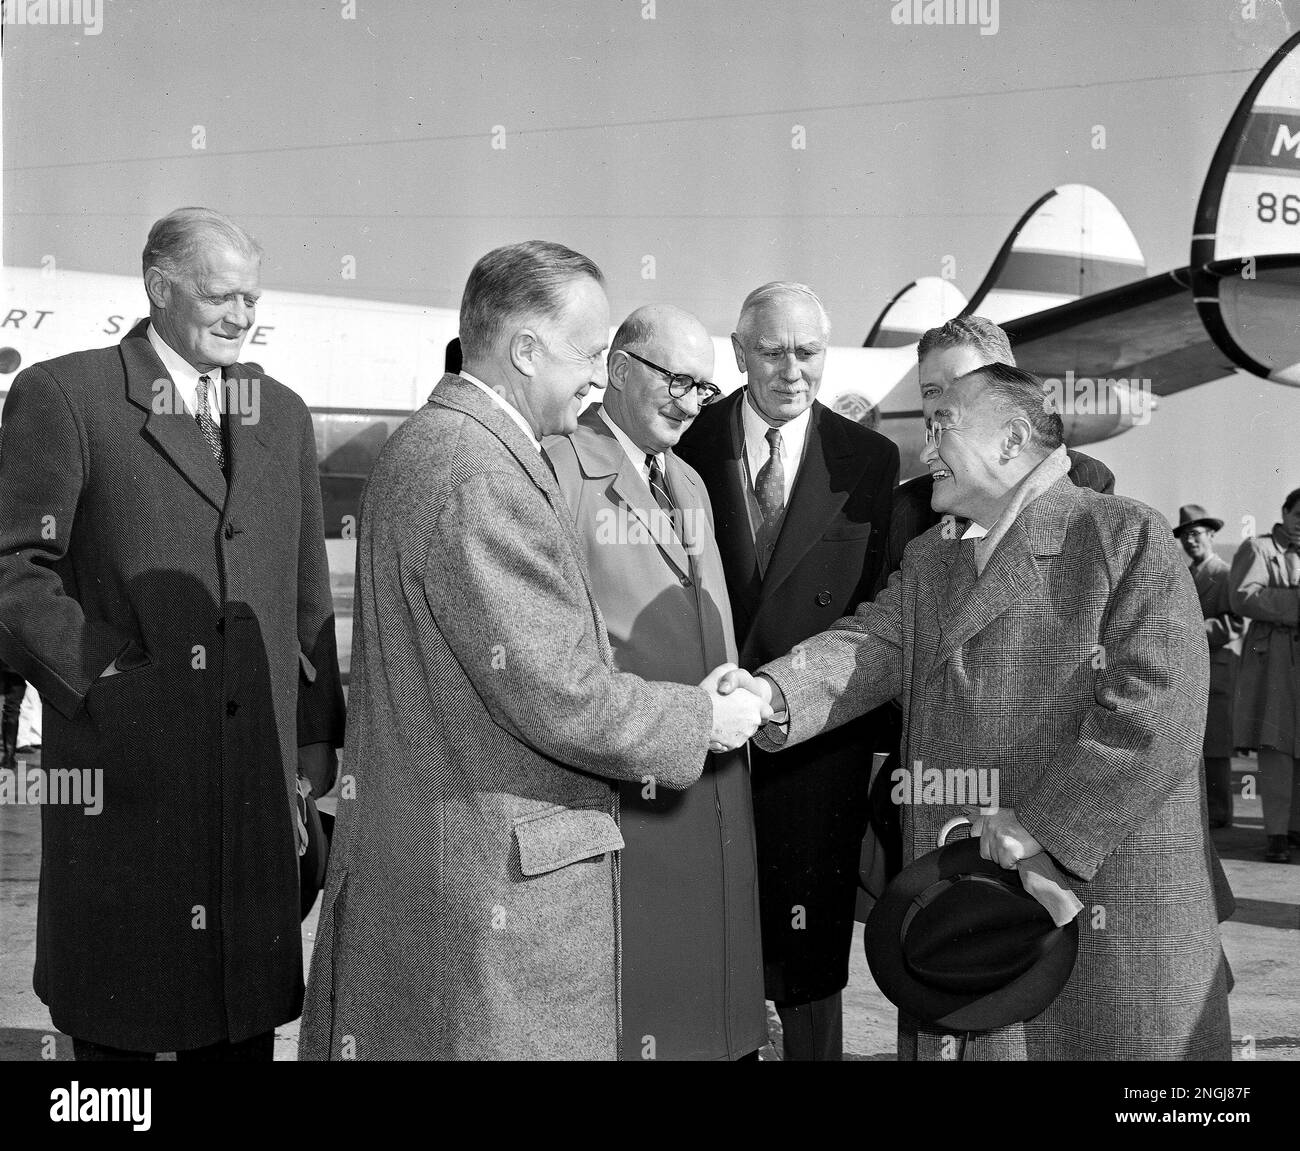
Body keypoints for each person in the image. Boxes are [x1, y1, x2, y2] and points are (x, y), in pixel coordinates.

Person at [298, 243, 766, 1062]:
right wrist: (705, 716)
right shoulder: (482, 473)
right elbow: (556, 692)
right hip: (495, 890)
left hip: (448, 868)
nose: (595, 376)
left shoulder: (445, 448)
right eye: (588, 353)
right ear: (524, 349)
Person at [726, 362, 1232, 1060]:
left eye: (943, 428)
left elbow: (1156, 717)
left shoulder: (1122, 537)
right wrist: (769, 693)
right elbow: (868, 643)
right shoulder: (934, 557)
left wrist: (1042, 827)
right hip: (973, 913)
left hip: (1102, 911)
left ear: (1010, 439)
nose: (926, 448)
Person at [0, 207, 346, 1060]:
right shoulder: (66, 395)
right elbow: (15, 569)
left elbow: (309, 593)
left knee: (241, 1021)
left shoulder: (283, 413)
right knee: (121, 1029)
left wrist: (316, 743)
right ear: (158, 286)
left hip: (257, 785)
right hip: (128, 780)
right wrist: (108, 680)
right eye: (221, 295)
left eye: (252, 297)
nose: (242, 315)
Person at [675, 282, 898, 1060]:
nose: (793, 369)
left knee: (806, 976)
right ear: (738, 354)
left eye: (808, 351)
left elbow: (874, 615)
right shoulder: (683, 442)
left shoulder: (867, 458)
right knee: (703, 951)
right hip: (698, 740)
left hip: (812, 752)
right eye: (772, 351)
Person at [544, 304, 766, 1061]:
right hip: (629, 791)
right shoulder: (560, 467)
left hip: (708, 788)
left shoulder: (693, 483)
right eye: (675, 378)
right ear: (617, 366)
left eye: (702, 387)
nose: (688, 400)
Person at [877, 316, 1115, 589]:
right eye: (931, 391)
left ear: (1009, 387)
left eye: (962, 384)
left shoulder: (1083, 478)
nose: (942, 404)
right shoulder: (906, 509)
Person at [1230, 487, 1300, 863]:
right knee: (1276, 746)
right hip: (1272, 661)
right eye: (1298, 514)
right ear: (1285, 513)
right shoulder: (1258, 549)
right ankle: (1275, 833)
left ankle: (1294, 828)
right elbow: (1241, 596)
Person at [1174, 504, 1243, 829]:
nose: (1190, 540)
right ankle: (1203, 811)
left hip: (1218, 666)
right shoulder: (1185, 573)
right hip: (1191, 670)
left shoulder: (1226, 573)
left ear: (1212, 535)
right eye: (1185, 535)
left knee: (1215, 743)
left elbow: (1236, 624)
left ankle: (1218, 813)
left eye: (1196, 533)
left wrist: (1191, 627)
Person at [0, 653, 25, 768]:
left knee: (11, 709)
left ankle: (8, 756)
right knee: (12, 709)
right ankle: (9, 757)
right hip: (18, 666)